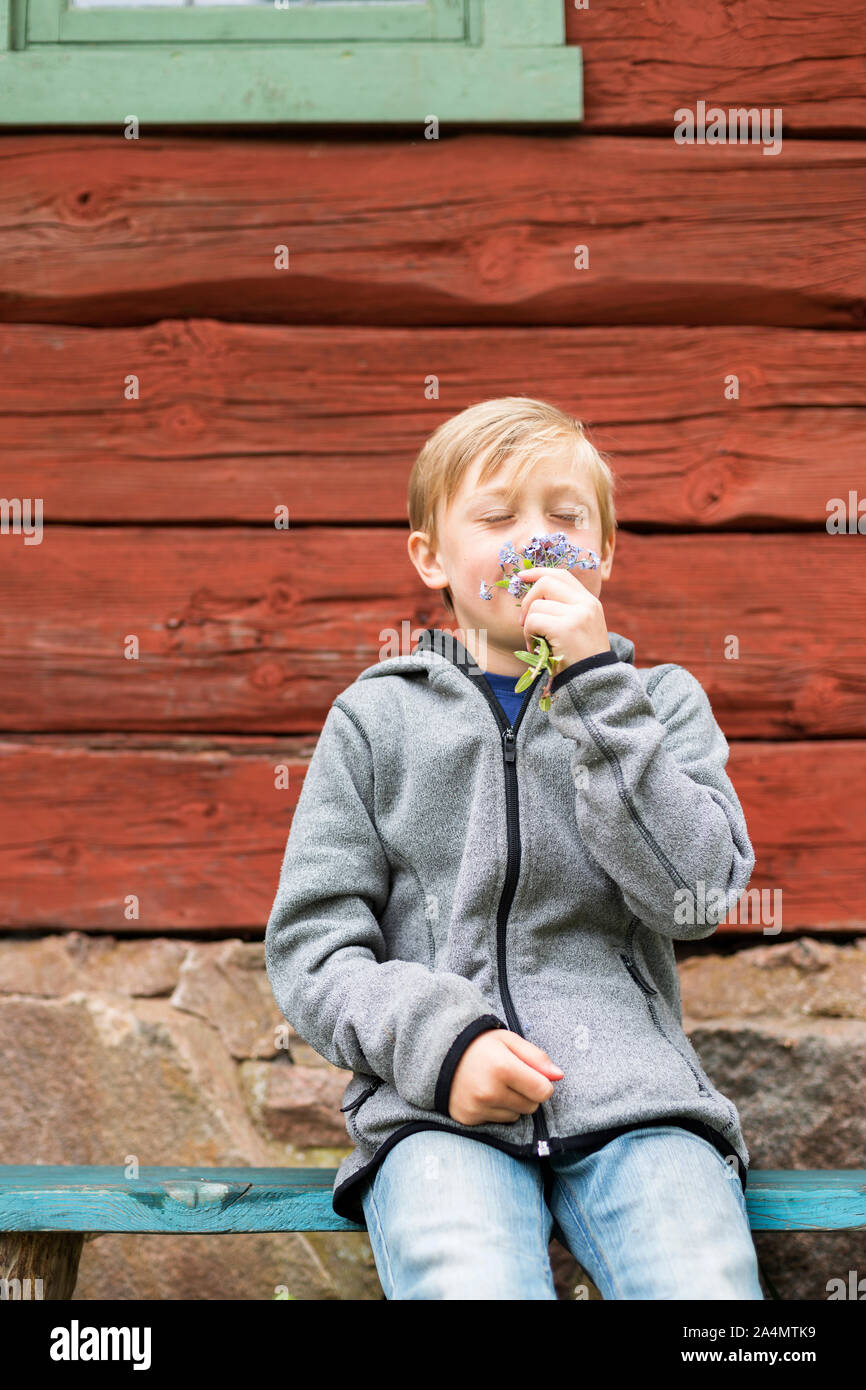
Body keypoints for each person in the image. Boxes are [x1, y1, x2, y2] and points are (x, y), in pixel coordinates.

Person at [265, 396, 764, 1300]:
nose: (537, 540)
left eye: (566, 518)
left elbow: (696, 898)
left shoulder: (659, 705)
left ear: (603, 553)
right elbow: (313, 951)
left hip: (637, 1104)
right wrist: (443, 1047)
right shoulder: (375, 721)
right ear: (431, 556)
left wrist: (594, 692)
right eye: (497, 517)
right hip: (435, 1111)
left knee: (705, 1289)